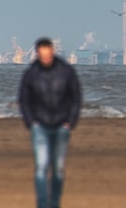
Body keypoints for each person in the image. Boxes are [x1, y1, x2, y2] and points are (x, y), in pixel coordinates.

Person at [18, 37, 83, 208]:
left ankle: (54, 204)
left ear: (52, 52)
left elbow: (76, 96)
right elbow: (24, 100)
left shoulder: (66, 71)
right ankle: (42, 204)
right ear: (38, 54)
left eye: (47, 55)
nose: (45, 59)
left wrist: (70, 121)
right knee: (41, 167)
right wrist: (31, 122)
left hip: (62, 125)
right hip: (40, 126)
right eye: (42, 56)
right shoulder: (31, 74)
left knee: (58, 170)